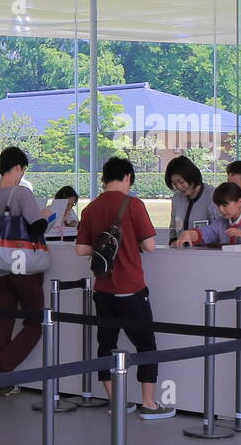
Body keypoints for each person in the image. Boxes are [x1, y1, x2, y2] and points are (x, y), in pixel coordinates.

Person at [75, 156, 176, 419]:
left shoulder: (90, 209)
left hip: (103, 289)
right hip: (131, 287)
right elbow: (150, 246)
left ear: (104, 178)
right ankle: (149, 403)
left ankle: (115, 401)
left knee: (105, 344)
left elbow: (81, 249)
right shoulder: (133, 205)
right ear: (128, 177)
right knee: (145, 344)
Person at [0, 146, 50, 396]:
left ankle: (2, 380)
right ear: (18, 167)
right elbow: (37, 227)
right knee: (36, 322)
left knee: (4, 321)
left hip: (0, 268)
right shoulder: (22, 193)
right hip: (24, 268)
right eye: (22, 170)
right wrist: (47, 215)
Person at [173, 182, 241, 247]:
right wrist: (189, 234)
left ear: (240, 202)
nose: (221, 210)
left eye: (225, 205)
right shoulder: (221, 222)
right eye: (218, 205)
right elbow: (205, 233)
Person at [164, 156, 214, 244]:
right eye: (174, 184)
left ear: (191, 176)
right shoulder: (177, 198)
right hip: (181, 253)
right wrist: (173, 241)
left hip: (206, 253)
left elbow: (217, 229)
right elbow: (173, 227)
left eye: (181, 182)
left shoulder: (211, 194)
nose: (179, 187)